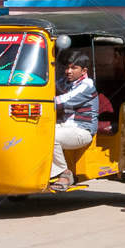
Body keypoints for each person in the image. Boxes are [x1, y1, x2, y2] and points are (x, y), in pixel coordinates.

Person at [51, 51, 97, 191]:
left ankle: (65, 173)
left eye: (73, 68)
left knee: (51, 138)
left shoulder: (87, 85)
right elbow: (49, 87)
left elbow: (63, 100)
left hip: (82, 131)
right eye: (67, 68)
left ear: (84, 71)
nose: (68, 71)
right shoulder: (65, 82)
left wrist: (39, 101)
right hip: (64, 126)